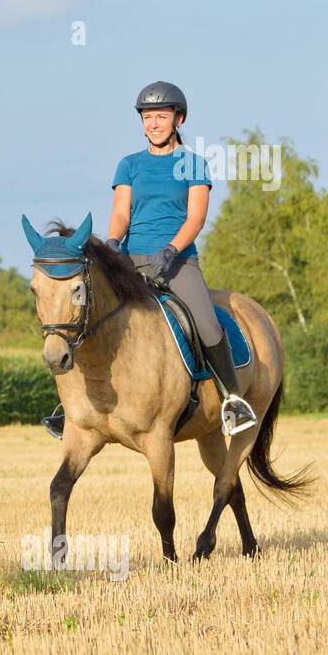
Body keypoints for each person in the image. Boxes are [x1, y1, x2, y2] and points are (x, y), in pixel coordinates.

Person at [106, 80, 257, 434]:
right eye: (147, 117)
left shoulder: (193, 164)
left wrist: (172, 249)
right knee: (92, 313)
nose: (153, 124)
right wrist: (113, 243)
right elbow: (120, 214)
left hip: (177, 261)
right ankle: (75, 408)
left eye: (161, 116)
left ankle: (233, 401)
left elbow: (196, 218)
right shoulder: (129, 165)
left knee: (205, 324)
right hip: (131, 257)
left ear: (179, 119)